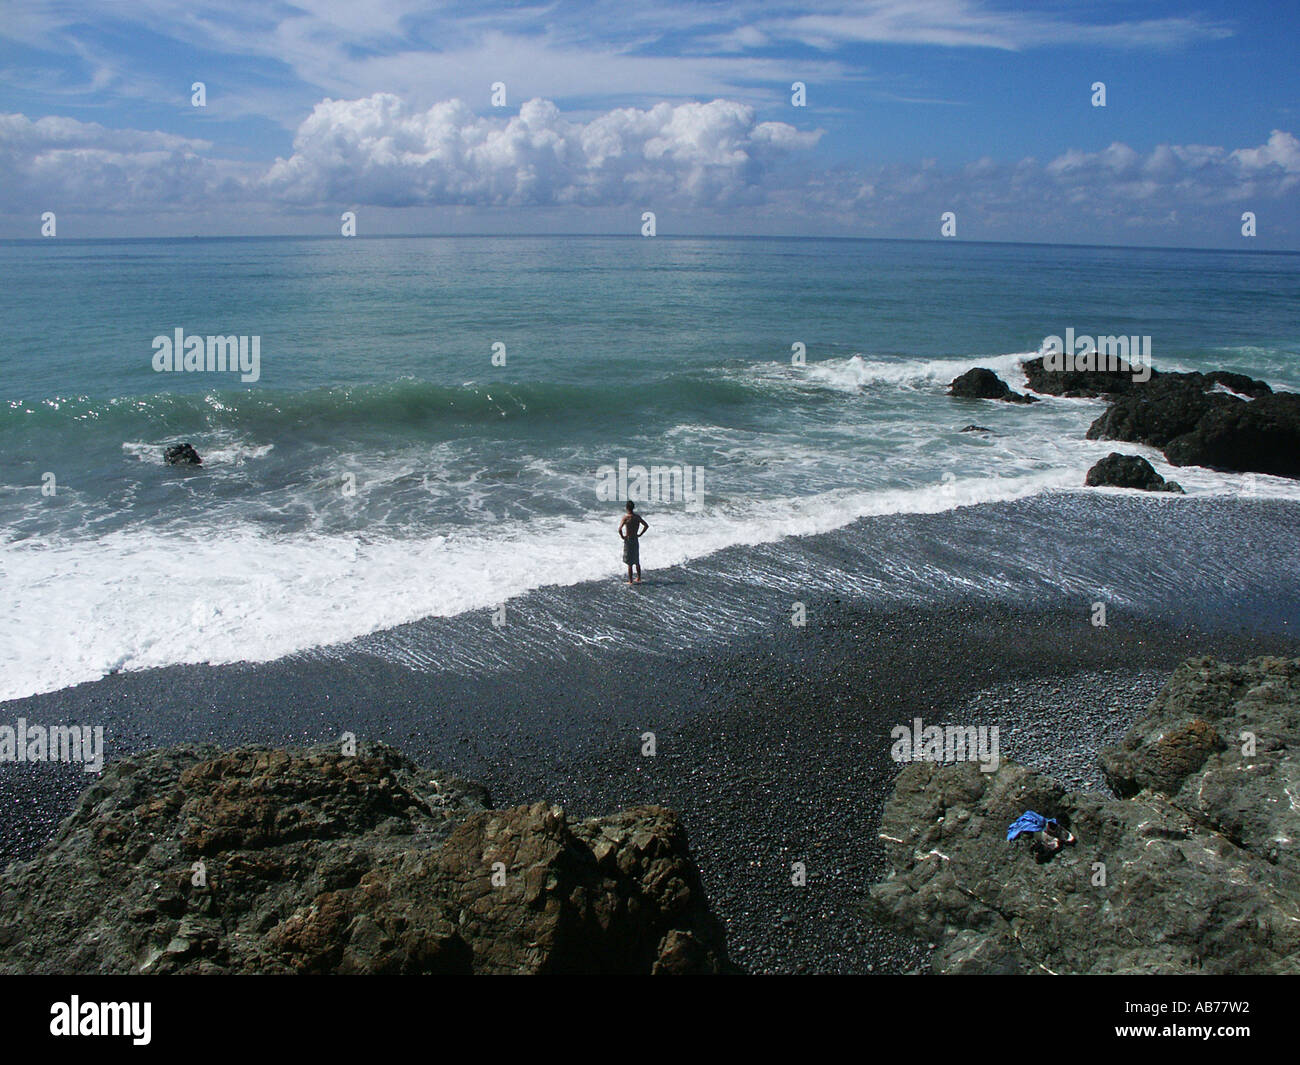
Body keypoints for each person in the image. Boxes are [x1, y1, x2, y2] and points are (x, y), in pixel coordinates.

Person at [618, 500, 648, 583]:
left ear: (627, 508)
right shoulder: (637, 517)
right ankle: (639, 578)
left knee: (630, 562)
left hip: (628, 539)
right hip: (635, 538)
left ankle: (630, 580)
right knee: (636, 560)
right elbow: (646, 526)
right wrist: (640, 534)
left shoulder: (626, 518)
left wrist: (622, 537)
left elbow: (620, 529)